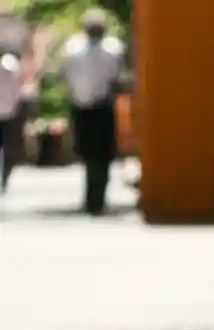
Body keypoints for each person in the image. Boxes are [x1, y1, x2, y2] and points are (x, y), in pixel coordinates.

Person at [61, 9, 122, 215]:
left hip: (91, 106)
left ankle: (95, 198)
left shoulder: (109, 49)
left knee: (97, 155)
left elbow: (67, 78)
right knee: (94, 155)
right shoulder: (80, 50)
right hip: (92, 106)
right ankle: (95, 198)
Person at [0, 49, 19, 194]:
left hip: (8, 113)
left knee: (8, 149)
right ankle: (4, 179)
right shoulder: (12, 65)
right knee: (8, 149)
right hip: (9, 112)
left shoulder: (9, 64)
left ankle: (4, 179)